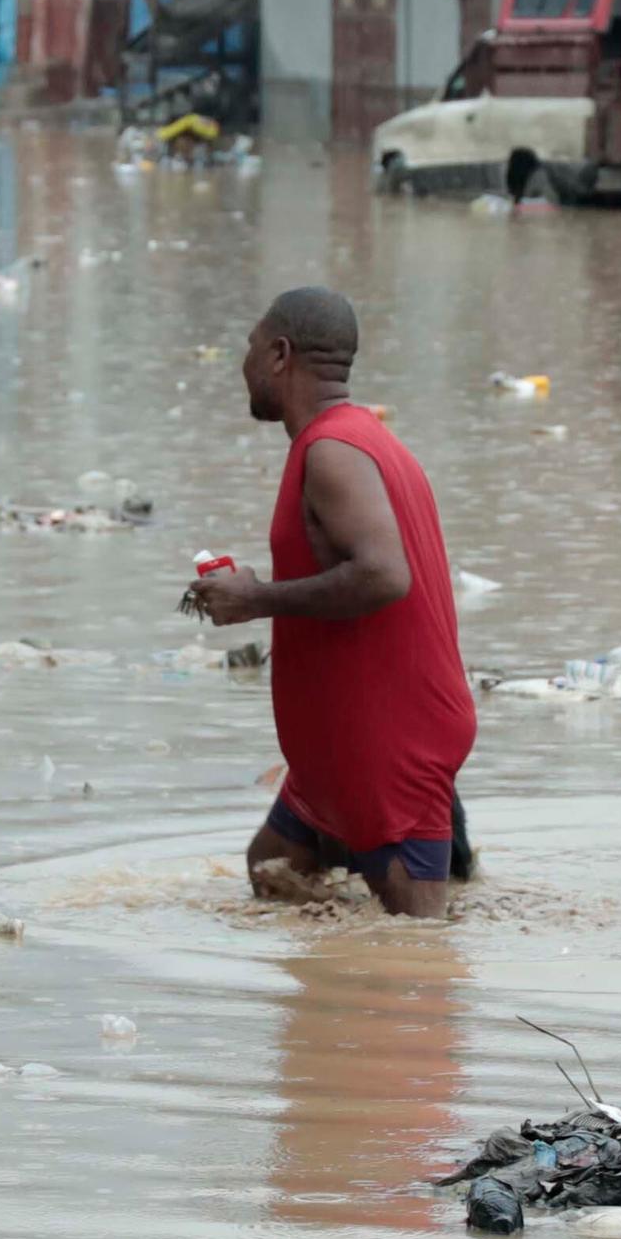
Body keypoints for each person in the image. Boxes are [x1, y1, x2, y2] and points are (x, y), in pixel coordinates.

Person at [188, 286, 480, 917]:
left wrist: (257, 598)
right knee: (272, 870)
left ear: (278, 355)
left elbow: (383, 575)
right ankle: (325, 999)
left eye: (249, 348)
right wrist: (257, 587)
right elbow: (352, 567)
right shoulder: (354, 439)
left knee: (415, 956)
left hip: (388, 740)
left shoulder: (331, 451)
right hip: (342, 742)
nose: (242, 364)